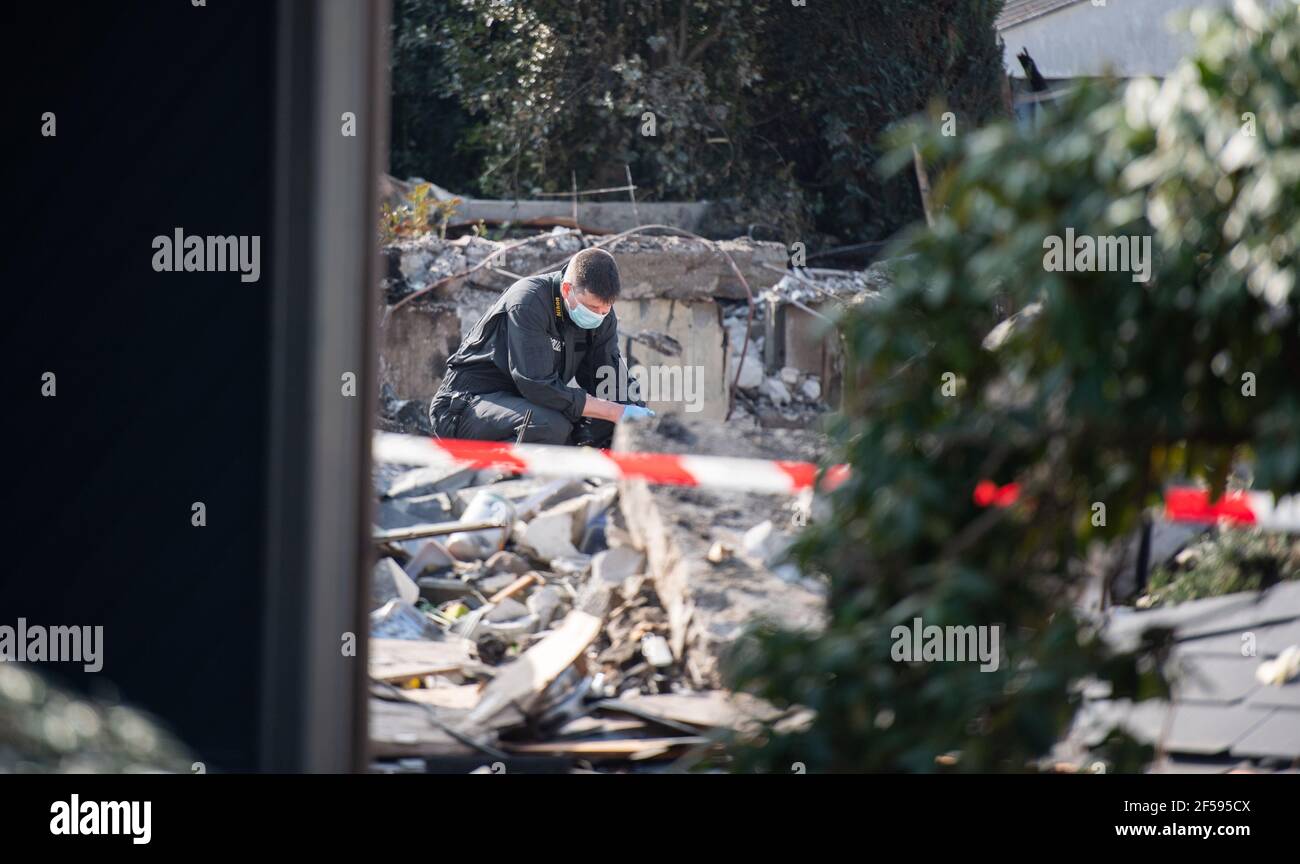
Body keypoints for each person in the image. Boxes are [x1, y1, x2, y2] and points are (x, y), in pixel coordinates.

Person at [429, 247, 654, 447]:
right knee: (547, 425)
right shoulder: (529, 300)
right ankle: (501, 480)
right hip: (467, 406)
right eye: (592, 308)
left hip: (531, 404)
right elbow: (536, 384)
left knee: (614, 425)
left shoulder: (602, 316)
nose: (598, 316)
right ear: (567, 290)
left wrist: (637, 412)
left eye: (605, 310)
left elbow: (609, 378)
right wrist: (615, 411)